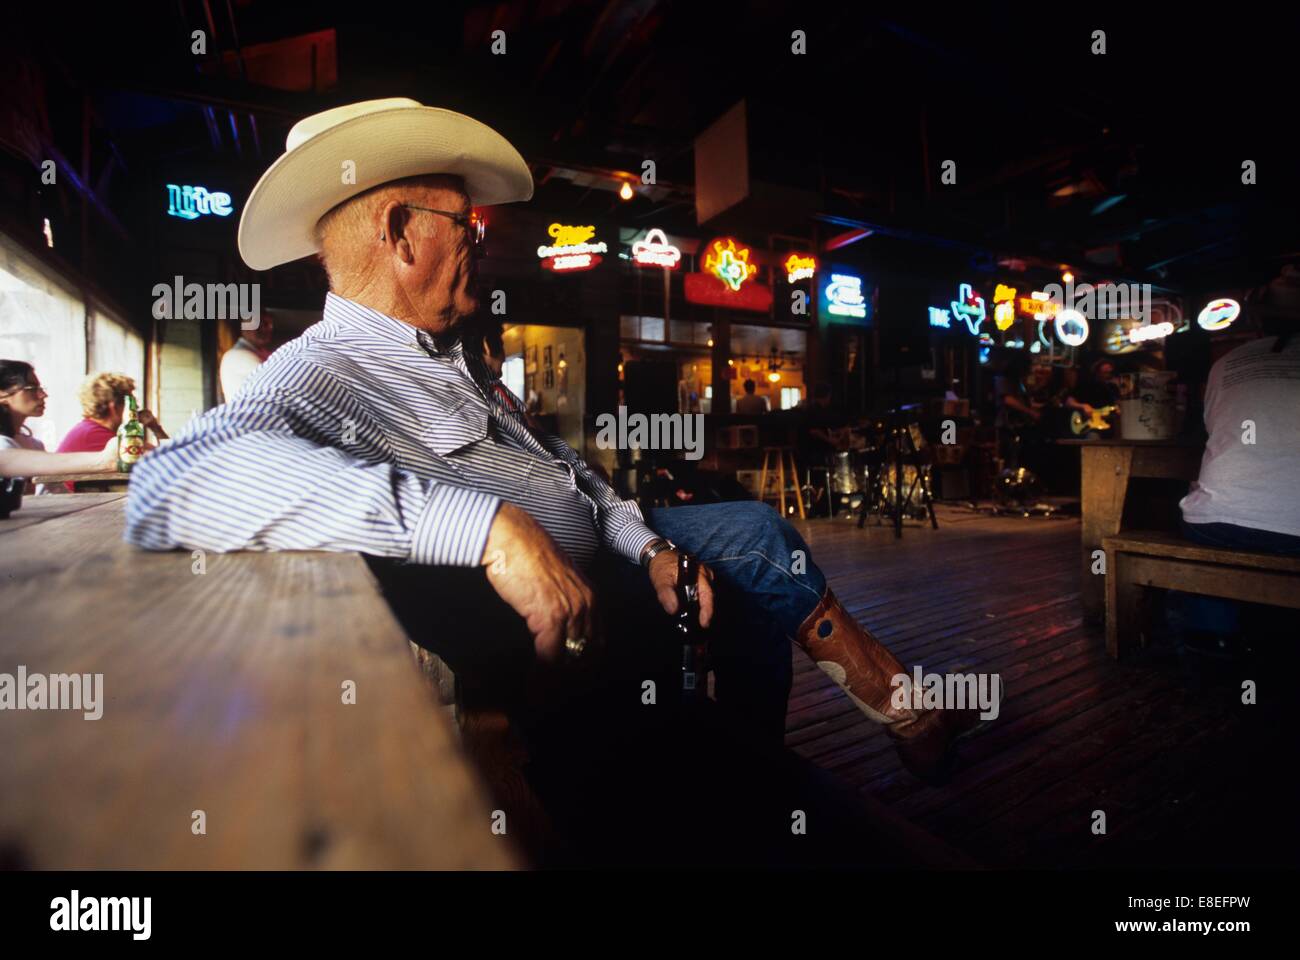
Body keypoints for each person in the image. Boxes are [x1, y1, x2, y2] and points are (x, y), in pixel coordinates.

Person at [122, 99, 980, 859]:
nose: (478, 244)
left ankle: (765, 764)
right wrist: (487, 529)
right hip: (553, 656)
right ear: (400, 231)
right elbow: (171, 481)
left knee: (745, 543)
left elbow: (573, 481)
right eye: (467, 225)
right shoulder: (324, 369)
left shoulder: (451, 358)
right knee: (755, 543)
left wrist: (646, 546)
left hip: (615, 570)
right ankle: (879, 728)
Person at [57, 372, 168, 492]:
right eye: (132, 403)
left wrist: (155, 427)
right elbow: (168, 460)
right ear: (113, 407)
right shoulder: (96, 435)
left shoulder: (91, 429)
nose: (137, 408)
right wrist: (156, 429)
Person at [219, 314, 275, 400]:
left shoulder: (262, 352)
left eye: (268, 324)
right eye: (257, 324)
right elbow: (275, 379)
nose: (265, 328)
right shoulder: (237, 355)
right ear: (244, 328)